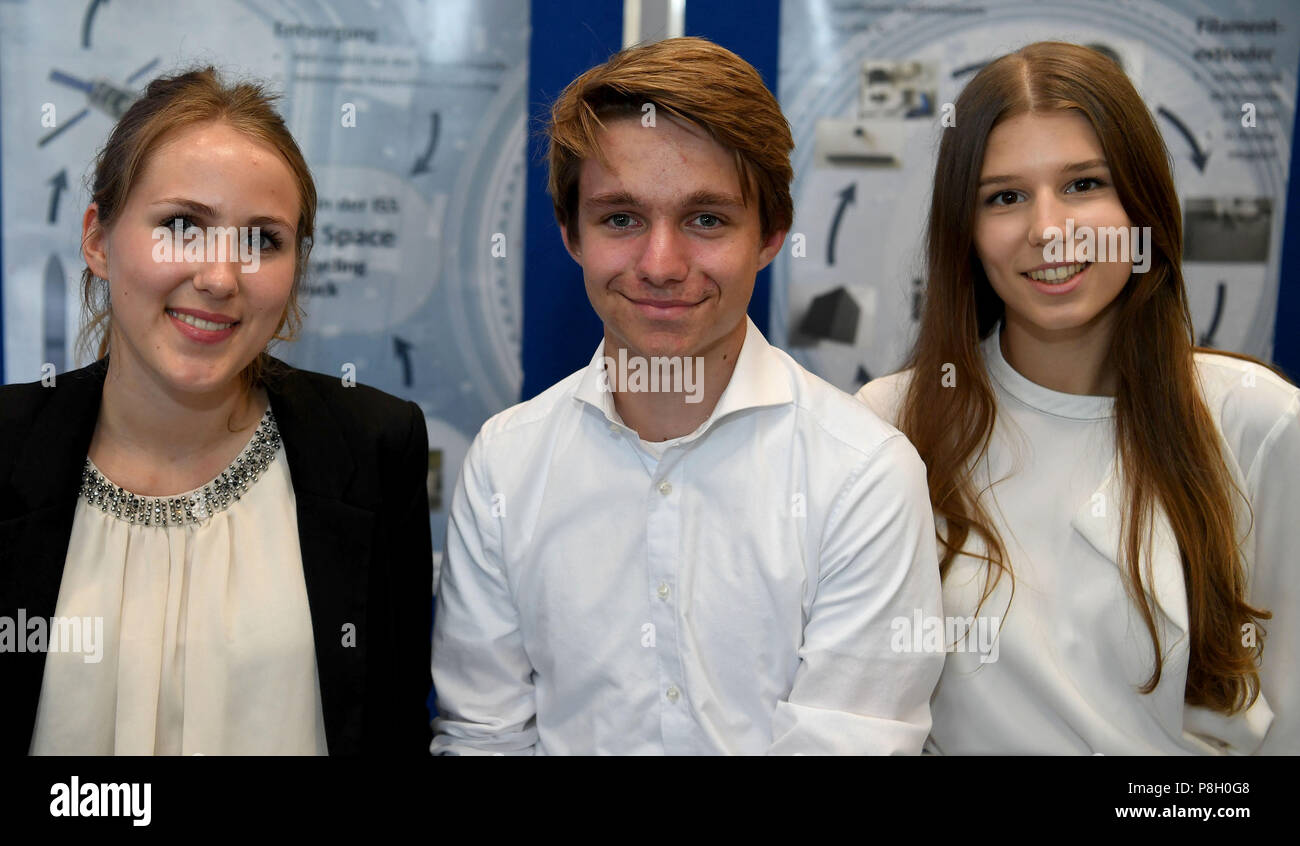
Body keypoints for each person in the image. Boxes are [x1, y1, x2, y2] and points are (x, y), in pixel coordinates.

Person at [430, 37, 943, 755]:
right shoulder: (506, 464)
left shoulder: (863, 475)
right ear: (569, 234)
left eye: (706, 219)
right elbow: (484, 737)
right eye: (620, 218)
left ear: (770, 236)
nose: (661, 265)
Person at [858, 41, 1299, 754]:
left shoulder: (1258, 420)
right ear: (965, 233)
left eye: (1084, 184)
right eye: (1005, 197)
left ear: (1141, 206)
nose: (1048, 230)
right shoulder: (891, 423)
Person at [0, 67, 433, 755]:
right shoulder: (6, 449)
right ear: (97, 239)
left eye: (263, 239)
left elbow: (396, 729)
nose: (220, 278)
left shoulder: (372, 448)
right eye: (182, 225)